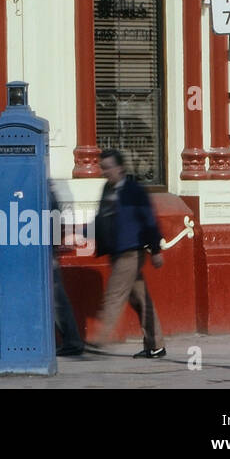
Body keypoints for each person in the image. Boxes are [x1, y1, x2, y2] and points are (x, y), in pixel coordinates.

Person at [90, 148, 166, 358]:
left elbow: (149, 221)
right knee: (141, 300)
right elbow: (104, 218)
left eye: (108, 168)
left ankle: (100, 339)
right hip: (116, 252)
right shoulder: (108, 188)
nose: (105, 172)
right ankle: (155, 344)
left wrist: (156, 250)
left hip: (130, 253)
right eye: (102, 168)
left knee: (114, 295)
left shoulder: (134, 191)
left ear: (120, 167)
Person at [49, 180, 84, 356]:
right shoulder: (46, 189)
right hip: (42, 251)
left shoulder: (43, 191)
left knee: (57, 299)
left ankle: (72, 340)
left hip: (41, 252)